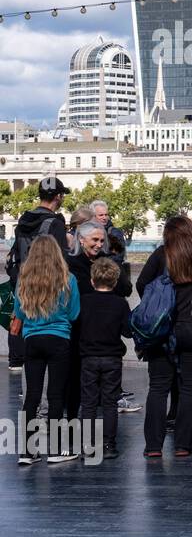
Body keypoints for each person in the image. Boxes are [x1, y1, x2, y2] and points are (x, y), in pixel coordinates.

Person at [140, 216, 192, 459]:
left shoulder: (163, 255)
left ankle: (154, 445)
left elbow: (142, 284)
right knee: (190, 387)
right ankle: (183, 444)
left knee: (158, 387)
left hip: (167, 329)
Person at [11, 236, 80, 464]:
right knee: (56, 395)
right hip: (59, 339)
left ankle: (27, 452)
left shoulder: (24, 279)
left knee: (32, 395)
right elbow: (74, 314)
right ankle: (56, 450)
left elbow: (19, 313)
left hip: (32, 339)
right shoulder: (68, 279)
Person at [64, 220, 133, 418]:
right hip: (78, 333)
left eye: (102, 240)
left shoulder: (106, 260)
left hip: (104, 335)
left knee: (106, 394)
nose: (99, 244)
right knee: (75, 384)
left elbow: (125, 288)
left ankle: (103, 432)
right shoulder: (71, 263)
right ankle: (73, 422)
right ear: (81, 240)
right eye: (94, 240)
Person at [6, 176, 71, 375]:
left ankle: (16, 362)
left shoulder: (24, 220)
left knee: (21, 318)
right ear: (58, 197)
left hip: (24, 280)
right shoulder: (55, 223)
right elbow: (62, 259)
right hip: (48, 282)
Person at [78, 257, 132, 460]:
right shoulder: (120, 304)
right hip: (112, 357)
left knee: (88, 403)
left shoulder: (84, 301)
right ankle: (109, 444)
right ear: (115, 281)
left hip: (89, 357)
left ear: (92, 280)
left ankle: (88, 445)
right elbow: (127, 331)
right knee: (110, 403)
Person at [90, 200, 127, 265]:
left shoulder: (115, 233)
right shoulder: (87, 231)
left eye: (106, 215)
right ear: (93, 216)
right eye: (101, 215)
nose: (104, 218)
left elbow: (119, 257)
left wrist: (100, 264)